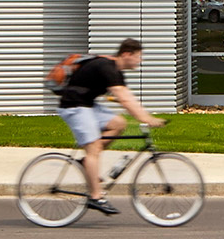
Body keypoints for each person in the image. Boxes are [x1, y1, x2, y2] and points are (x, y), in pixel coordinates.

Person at [52, 38, 159, 216]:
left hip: (87, 105)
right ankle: (96, 197)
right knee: (93, 148)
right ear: (126, 54)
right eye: (139, 56)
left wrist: (139, 111)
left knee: (118, 123)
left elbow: (124, 96)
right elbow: (124, 98)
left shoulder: (114, 70)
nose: (140, 60)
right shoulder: (107, 67)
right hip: (73, 106)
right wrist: (146, 118)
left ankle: (88, 163)